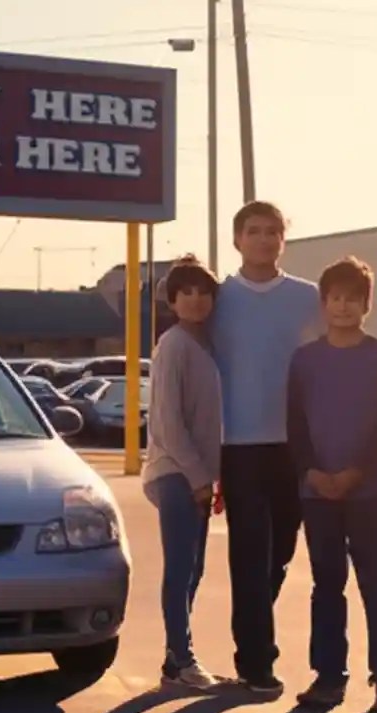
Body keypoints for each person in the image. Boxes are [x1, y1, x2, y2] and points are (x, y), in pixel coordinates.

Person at [287, 256, 377, 713]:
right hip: (317, 494)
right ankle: (328, 675)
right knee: (327, 585)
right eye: (334, 298)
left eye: (352, 299)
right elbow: (295, 425)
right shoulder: (304, 360)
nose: (342, 306)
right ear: (323, 303)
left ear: (366, 305)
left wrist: (356, 473)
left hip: (371, 494)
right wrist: (314, 472)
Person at [211, 201, 322, 696]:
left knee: (280, 553)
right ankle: (257, 662)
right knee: (250, 554)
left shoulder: (309, 298)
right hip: (238, 448)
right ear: (237, 240)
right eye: (253, 231)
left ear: (283, 239)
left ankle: (253, 625)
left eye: (272, 231)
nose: (262, 239)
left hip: (295, 447)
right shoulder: (216, 298)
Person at [143, 254, 225, 690]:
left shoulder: (207, 344)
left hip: (198, 476)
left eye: (203, 291)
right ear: (172, 301)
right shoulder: (173, 344)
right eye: (185, 292)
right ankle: (182, 659)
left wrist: (215, 478)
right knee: (180, 567)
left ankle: (178, 661)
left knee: (194, 569)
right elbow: (168, 423)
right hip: (174, 473)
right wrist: (197, 478)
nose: (195, 299)